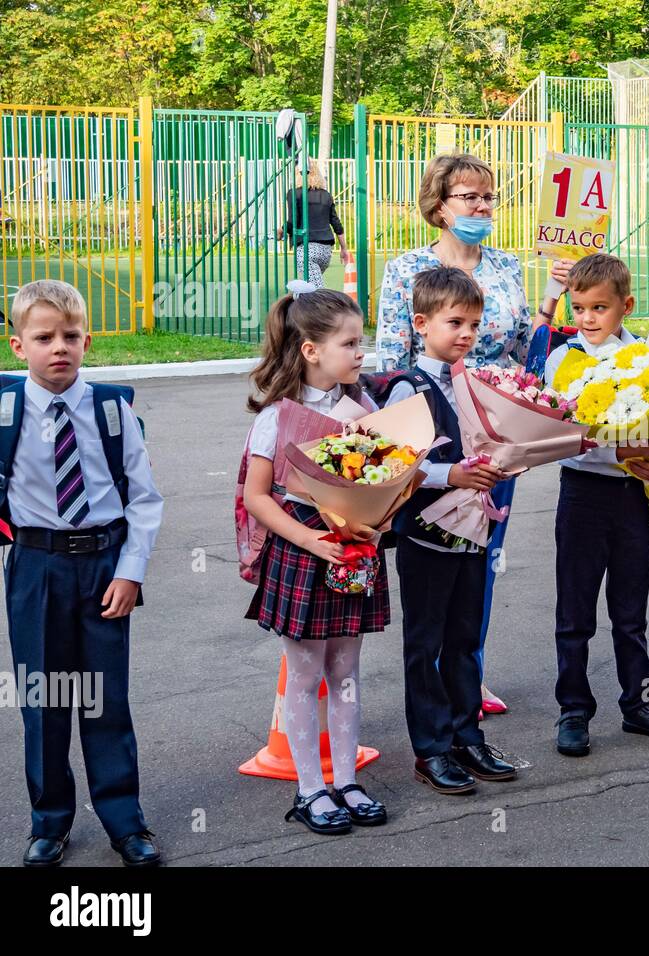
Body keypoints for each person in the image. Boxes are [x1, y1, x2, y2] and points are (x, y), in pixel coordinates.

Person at [375, 152, 570, 715]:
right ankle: (432, 682)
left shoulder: (507, 265)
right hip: (433, 432)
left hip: (495, 432)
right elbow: (393, 355)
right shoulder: (407, 269)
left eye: (488, 196)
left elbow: (523, 354)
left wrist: (552, 299)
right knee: (432, 553)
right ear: (439, 206)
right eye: (469, 196)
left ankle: (469, 670)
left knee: (482, 554)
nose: (483, 206)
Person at [2, 280, 164, 866]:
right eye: (43, 337)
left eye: (70, 336)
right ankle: (49, 821)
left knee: (104, 700)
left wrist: (131, 573)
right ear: (18, 345)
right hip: (35, 567)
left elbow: (144, 499)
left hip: (102, 566)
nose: (58, 348)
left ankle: (125, 821)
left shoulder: (110, 410)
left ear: (88, 340)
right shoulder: (5, 409)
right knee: (43, 699)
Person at [243, 286, 389, 835]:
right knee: (306, 677)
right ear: (310, 350)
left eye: (362, 342)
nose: (361, 353)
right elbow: (259, 497)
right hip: (305, 548)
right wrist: (309, 540)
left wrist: (382, 512)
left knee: (347, 672)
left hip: (355, 545)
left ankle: (347, 780)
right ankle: (310, 790)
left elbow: (385, 474)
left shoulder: (365, 407)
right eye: (351, 343)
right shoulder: (278, 417)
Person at [542, 254, 649, 756]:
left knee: (631, 611)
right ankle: (574, 710)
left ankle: (639, 703)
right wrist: (607, 448)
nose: (587, 319)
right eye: (578, 307)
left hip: (632, 495)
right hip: (583, 493)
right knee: (575, 611)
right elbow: (552, 435)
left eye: (599, 308)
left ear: (624, 306)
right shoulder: (562, 360)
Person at [385, 267, 519, 792]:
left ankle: (468, 735)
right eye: (454, 322)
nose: (466, 333)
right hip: (424, 534)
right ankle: (432, 747)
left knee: (465, 638)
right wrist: (451, 474)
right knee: (426, 643)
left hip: (473, 531)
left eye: (474, 323)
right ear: (421, 323)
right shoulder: (406, 386)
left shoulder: (474, 383)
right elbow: (391, 467)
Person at [279, 158, 352, 289]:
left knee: (315, 290)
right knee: (306, 287)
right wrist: (344, 249)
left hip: (306, 250)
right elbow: (336, 224)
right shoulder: (326, 195)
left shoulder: (294, 194)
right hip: (325, 251)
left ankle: (325, 307)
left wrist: (282, 231)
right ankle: (297, 307)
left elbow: (292, 222)